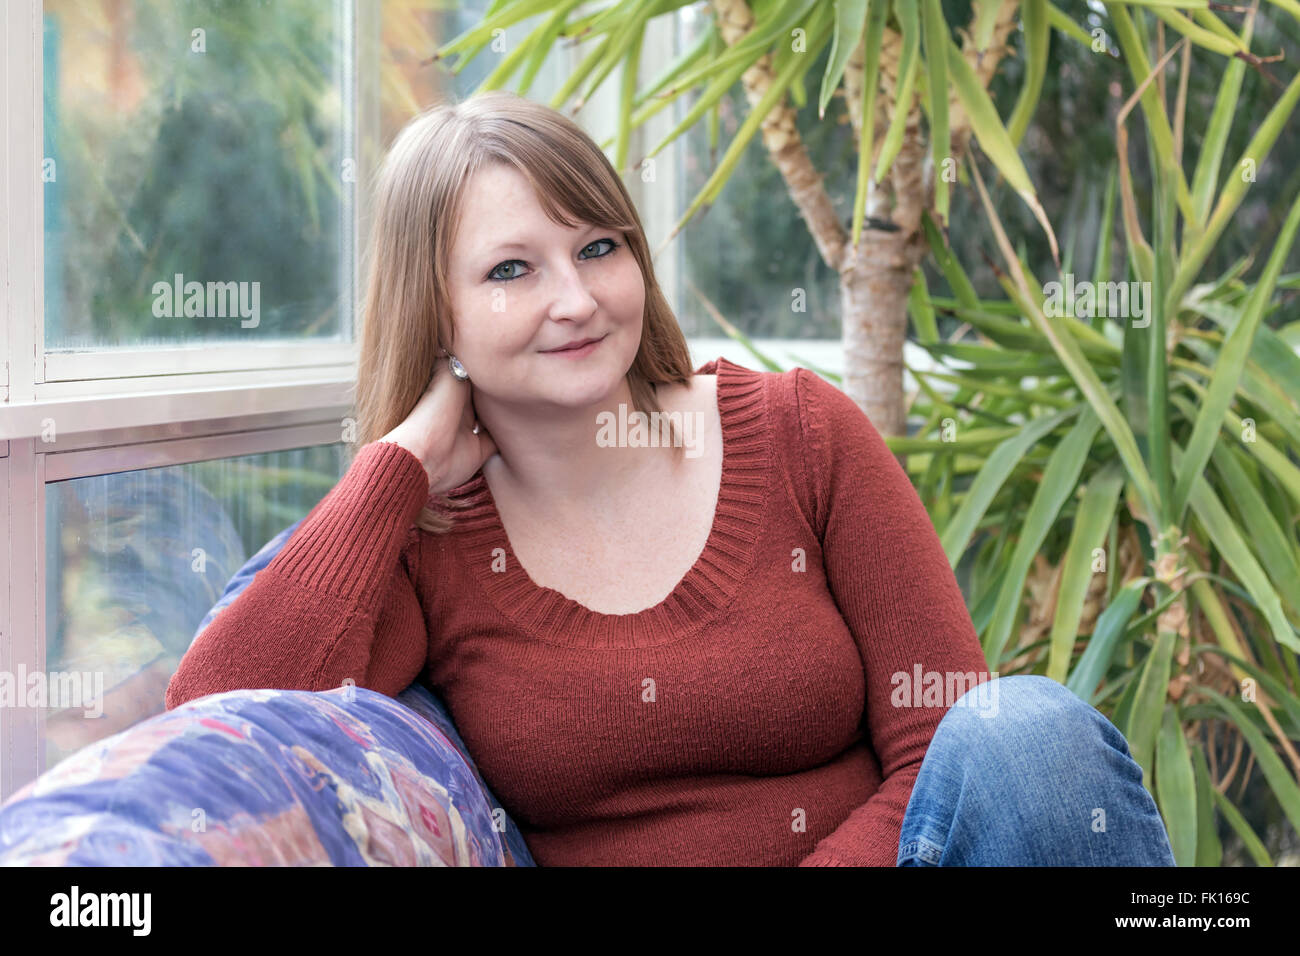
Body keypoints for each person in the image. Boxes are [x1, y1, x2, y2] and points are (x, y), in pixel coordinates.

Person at [165, 90, 1175, 867]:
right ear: (437, 316)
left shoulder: (800, 432)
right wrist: (401, 463)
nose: (575, 298)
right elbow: (216, 715)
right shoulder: (434, 539)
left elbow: (939, 735)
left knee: (1028, 731)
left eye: (598, 247)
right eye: (510, 270)